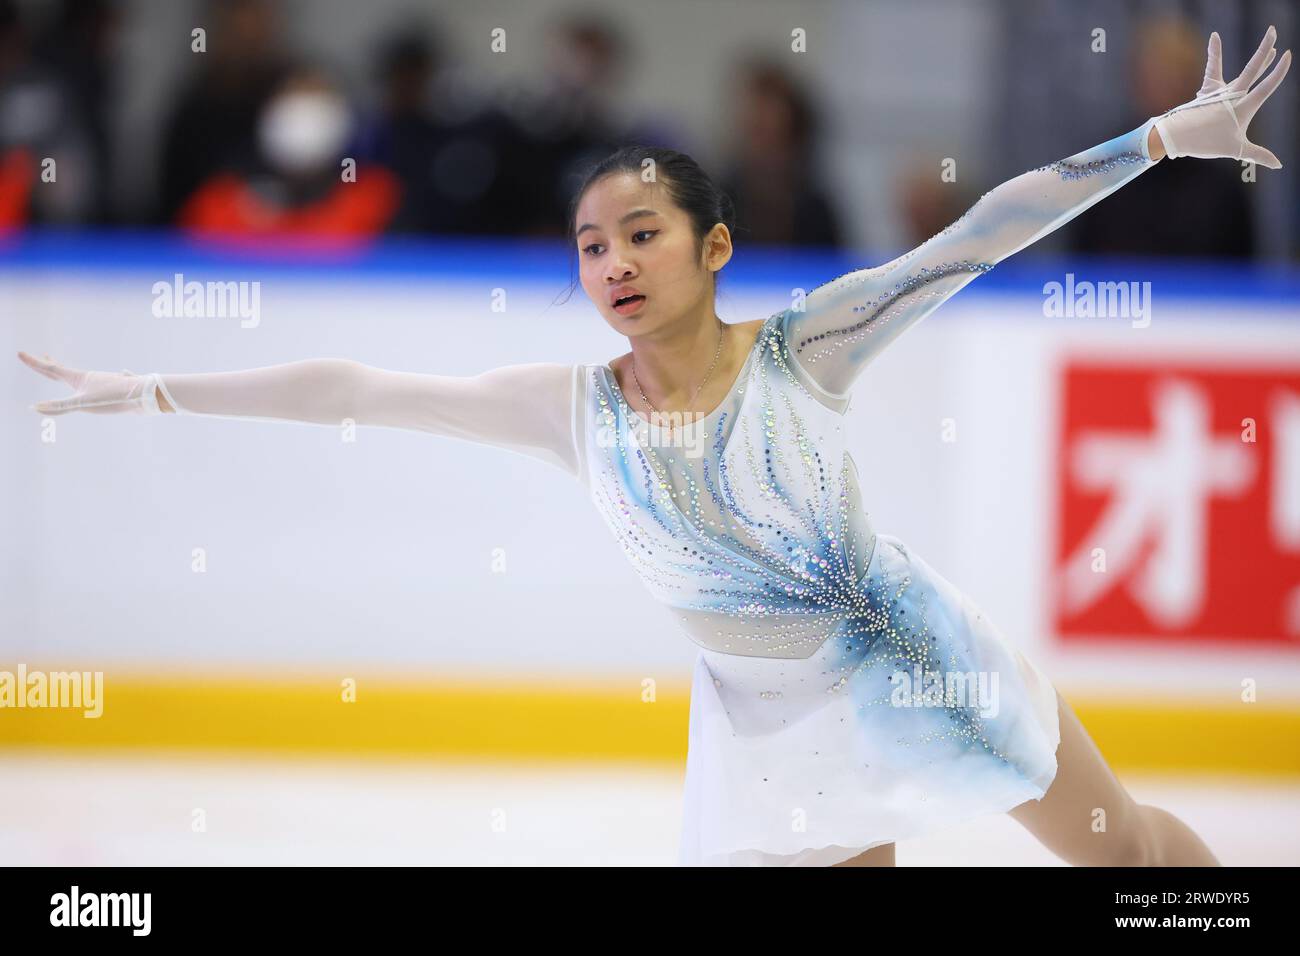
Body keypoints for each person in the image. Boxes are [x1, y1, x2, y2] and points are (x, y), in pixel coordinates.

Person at [19, 27, 1290, 867]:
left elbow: (980, 232)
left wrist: (1160, 139)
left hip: (915, 661)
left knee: (1123, 855)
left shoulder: (808, 346)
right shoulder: (568, 409)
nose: (613, 262)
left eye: (641, 233)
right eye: (589, 243)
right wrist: (160, 390)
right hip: (776, 737)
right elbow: (358, 385)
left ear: (713, 247)